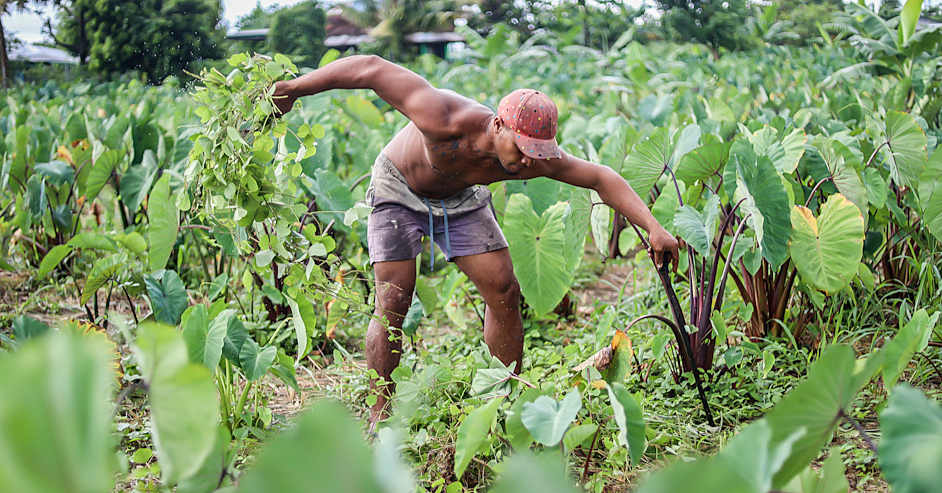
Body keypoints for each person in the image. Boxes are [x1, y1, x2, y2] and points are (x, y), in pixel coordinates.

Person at [272, 55, 679, 428]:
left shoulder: (533, 161)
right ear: (498, 126)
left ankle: (502, 400)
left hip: (460, 196)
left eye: (537, 153)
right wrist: (293, 89)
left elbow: (602, 178)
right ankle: (381, 413)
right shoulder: (443, 117)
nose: (527, 161)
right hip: (399, 186)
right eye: (521, 148)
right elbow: (371, 69)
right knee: (393, 298)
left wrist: (654, 228)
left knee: (504, 289)